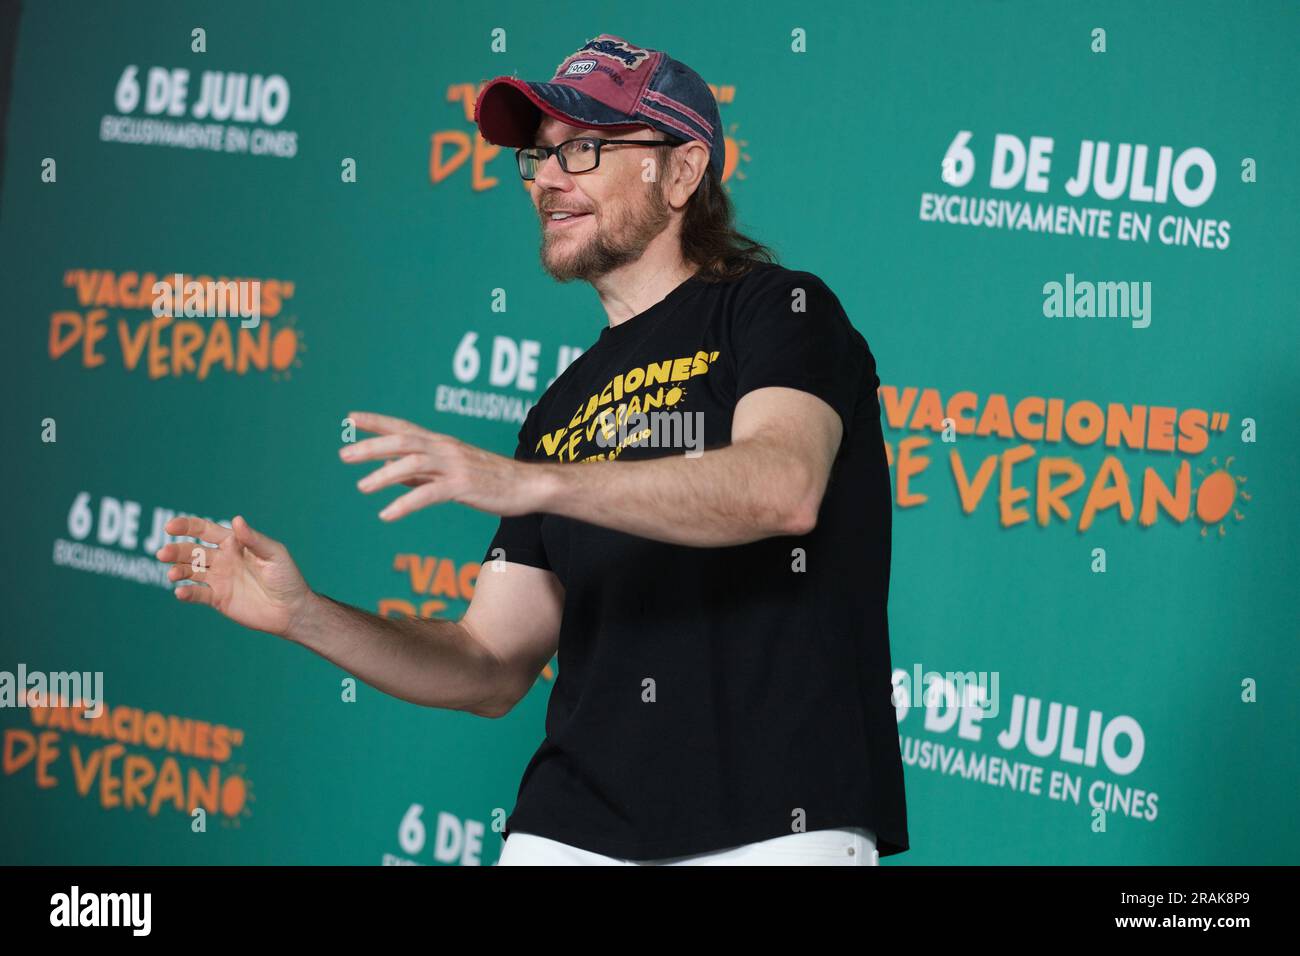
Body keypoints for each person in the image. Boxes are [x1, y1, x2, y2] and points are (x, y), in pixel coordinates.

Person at [154, 32, 907, 866]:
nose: (548, 178)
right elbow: (489, 663)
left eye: (583, 149)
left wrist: (534, 482)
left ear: (683, 171)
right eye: (539, 156)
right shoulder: (560, 406)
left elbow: (782, 487)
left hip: (772, 825)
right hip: (566, 830)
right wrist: (305, 616)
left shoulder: (779, 310)